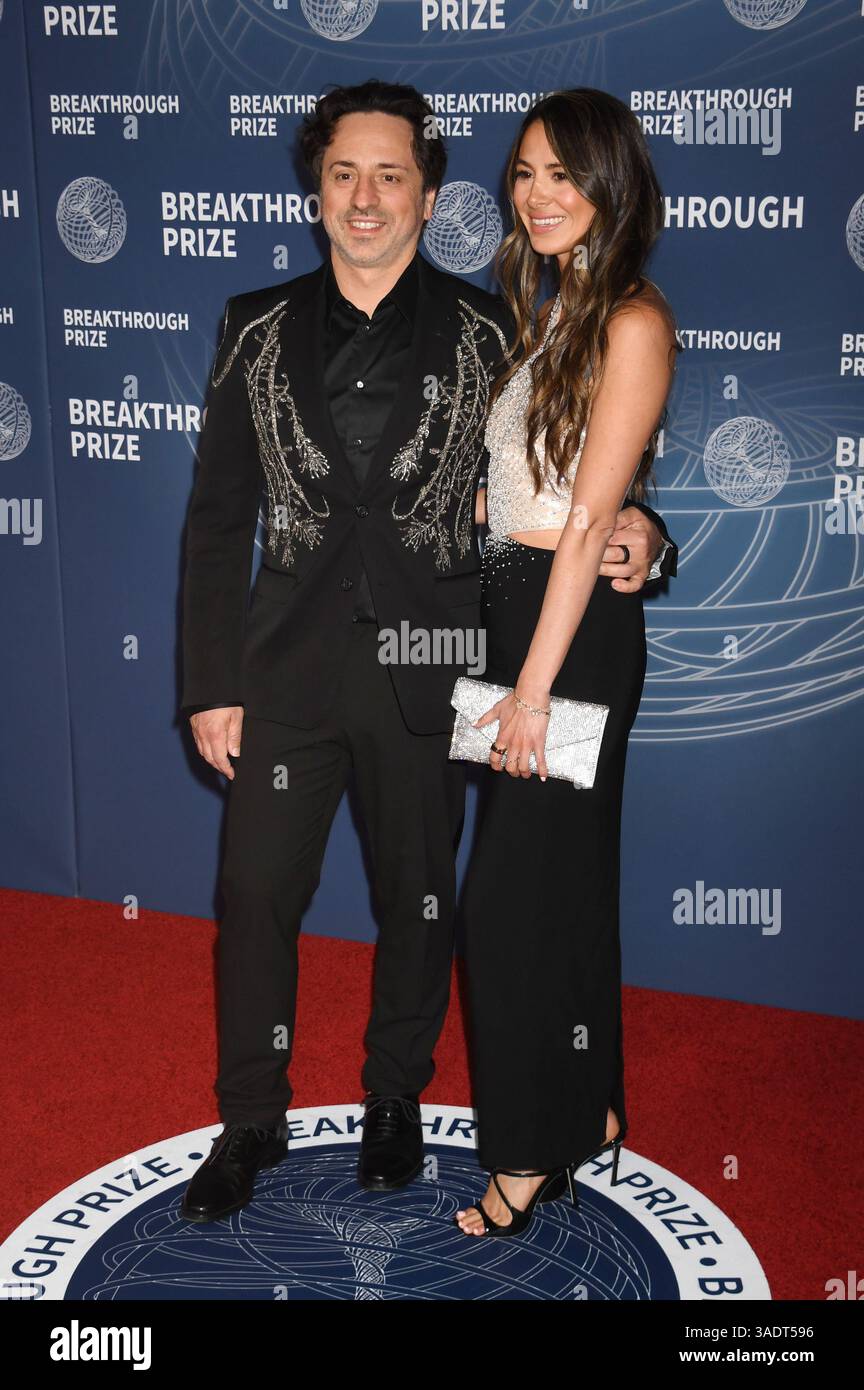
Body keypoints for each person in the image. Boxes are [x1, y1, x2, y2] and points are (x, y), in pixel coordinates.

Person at [178, 80, 677, 1223]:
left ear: (428, 192)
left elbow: (585, 473)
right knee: (254, 889)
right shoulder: (251, 324)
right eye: (344, 173)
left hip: (443, 651)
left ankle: (396, 1094)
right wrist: (210, 682)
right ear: (316, 188)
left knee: (424, 898)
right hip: (285, 667)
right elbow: (215, 518)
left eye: (390, 174)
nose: (365, 197)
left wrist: (652, 536)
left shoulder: (494, 321)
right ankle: (251, 1116)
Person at [455, 90, 682, 1238]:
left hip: (567, 633)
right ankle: (589, 1107)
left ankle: (531, 1151)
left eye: (564, 174)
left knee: (504, 906)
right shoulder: (549, 307)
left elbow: (591, 528)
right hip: (517, 611)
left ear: (611, 186)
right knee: (565, 886)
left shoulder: (633, 320)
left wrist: (535, 691)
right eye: (526, 172)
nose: (538, 194)